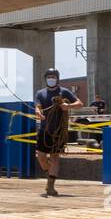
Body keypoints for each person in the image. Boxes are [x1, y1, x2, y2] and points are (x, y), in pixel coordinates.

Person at [34, 68, 80, 197]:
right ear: (45, 78)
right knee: (40, 156)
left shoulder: (64, 92)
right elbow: (37, 106)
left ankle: (50, 186)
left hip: (58, 131)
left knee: (54, 157)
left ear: (57, 78)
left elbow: (79, 103)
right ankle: (50, 174)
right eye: (49, 76)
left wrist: (68, 106)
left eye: (53, 76)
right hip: (44, 129)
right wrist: (38, 112)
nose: (51, 79)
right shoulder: (40, 93)